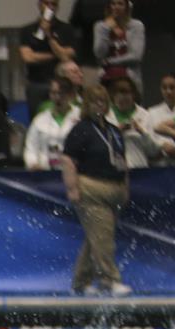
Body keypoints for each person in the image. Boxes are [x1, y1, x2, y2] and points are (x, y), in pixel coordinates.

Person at [62, 84, 130, 295]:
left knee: (95, 238)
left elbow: (122, 161)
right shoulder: (80, 130)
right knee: (103, 237)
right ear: (87, 105)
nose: (99, 105)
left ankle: (81, 282)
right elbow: (68, 160)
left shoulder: (114, 131)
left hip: (114, 189)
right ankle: (109, 279)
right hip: (91, 189)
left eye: (102, 101)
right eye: (94, 101)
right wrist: (72, 188)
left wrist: (125, 187)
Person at [20, 0, 78, 115]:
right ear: (39, 5)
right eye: (47, 3)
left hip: (61, 83)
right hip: (36, 82)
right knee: (37, 117)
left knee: (64, 115)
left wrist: (49, 35)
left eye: (54, 4)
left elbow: (66, 57)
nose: (50, 7)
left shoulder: (67, 29)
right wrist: (55, 55)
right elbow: (28, 57)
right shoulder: (27, 30)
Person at [24, 74, 80, 169]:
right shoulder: (40, 120)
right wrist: (33, 164)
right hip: (44, 171)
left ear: (70, 95)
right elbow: (31, 148)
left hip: (74, 171)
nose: (57, 97)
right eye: (54, 93)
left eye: (61, 93)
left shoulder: (80, 116)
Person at [103, 76, 159, 167]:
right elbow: (101, 147)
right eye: (119, 98)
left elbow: (154, 152)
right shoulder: (105, 115)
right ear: (113, 96)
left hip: (138, 167)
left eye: (126, 97)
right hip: (113, 170)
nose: (123, 101)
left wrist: (142, 132)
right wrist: (117, 132)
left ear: (133, 95)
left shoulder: (145, 115)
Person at [143, 73, 175, 162]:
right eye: (164, 88)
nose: (168, 91)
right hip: (159, 162)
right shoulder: (152, 112)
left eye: (172, 87)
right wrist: (161, 147)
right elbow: (149, 139)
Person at [94, 0, 146, 85]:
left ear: (127, 7)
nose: (116, 7)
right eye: (113, 4)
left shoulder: (136, 26)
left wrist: (109, 62)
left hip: (129, 79)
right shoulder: (100, 26)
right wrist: (106, 28)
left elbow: (136, 56)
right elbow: (99, 53)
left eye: (120, 4)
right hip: (106, 78)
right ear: (109, 6)